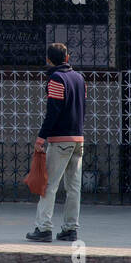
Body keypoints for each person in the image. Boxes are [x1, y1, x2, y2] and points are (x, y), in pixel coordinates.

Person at [26, 42, 86, 242]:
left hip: (60, 140)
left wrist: (41, 137)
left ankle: (43, 228)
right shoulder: (80, 79)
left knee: (49, 185)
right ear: (67, 58)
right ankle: (70, 228)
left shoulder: (56, 79)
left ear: (49, 60)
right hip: (78, 139)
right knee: (74, 187)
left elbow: (53, 112)